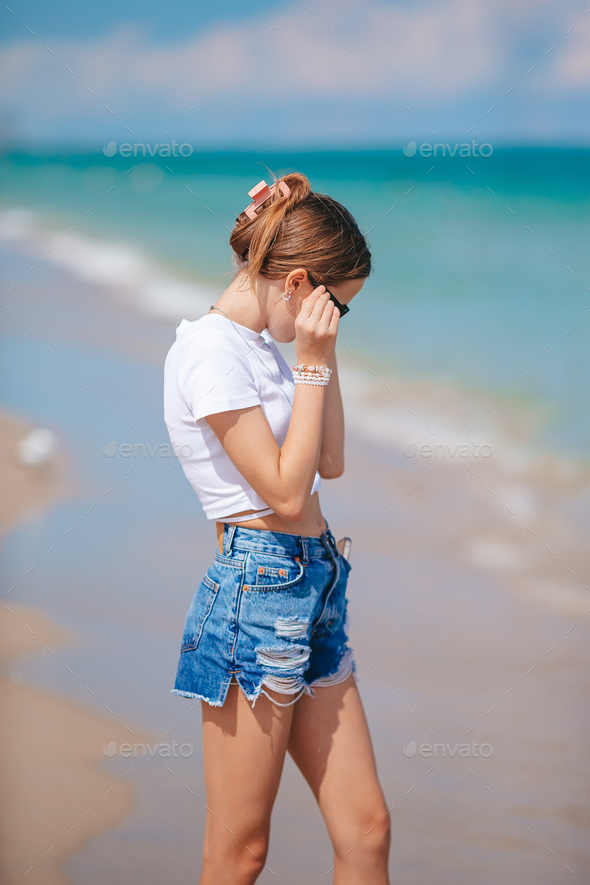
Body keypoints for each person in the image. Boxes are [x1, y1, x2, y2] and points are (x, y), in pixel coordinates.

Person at [164, 172, 390, 884]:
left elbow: (330, 460)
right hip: (255, 598)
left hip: (318, 587)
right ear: (297, 283)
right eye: (336, 307)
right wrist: (314, 361)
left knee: (367, 830)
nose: (335, 324)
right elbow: (288, 494)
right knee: (240, 852)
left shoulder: (266, 348)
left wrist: (319, 359)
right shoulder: (209, 351)